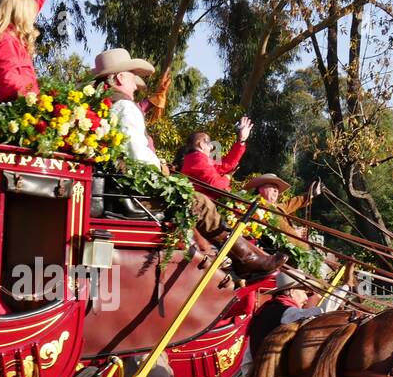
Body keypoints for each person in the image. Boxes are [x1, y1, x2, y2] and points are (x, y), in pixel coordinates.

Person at [92, 49, 284, 279]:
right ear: (121, 78)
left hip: (120, 188)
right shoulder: (124, 107)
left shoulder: (104, 107)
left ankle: (242, 257)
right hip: (135, 190)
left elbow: (223, 168)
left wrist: (240, 143)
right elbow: (137, 156)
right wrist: (162, 172)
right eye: (133, 78)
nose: (136, 86)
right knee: (200, 204)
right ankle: (245, 258)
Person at [177, 118, 253, 191]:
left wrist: (241, 140)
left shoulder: (198, 159)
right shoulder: (198, 160)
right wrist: (227, 177)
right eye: (209, 143)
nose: (211, 146)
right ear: (201, 145)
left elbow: (225, 165)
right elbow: (216, 186)